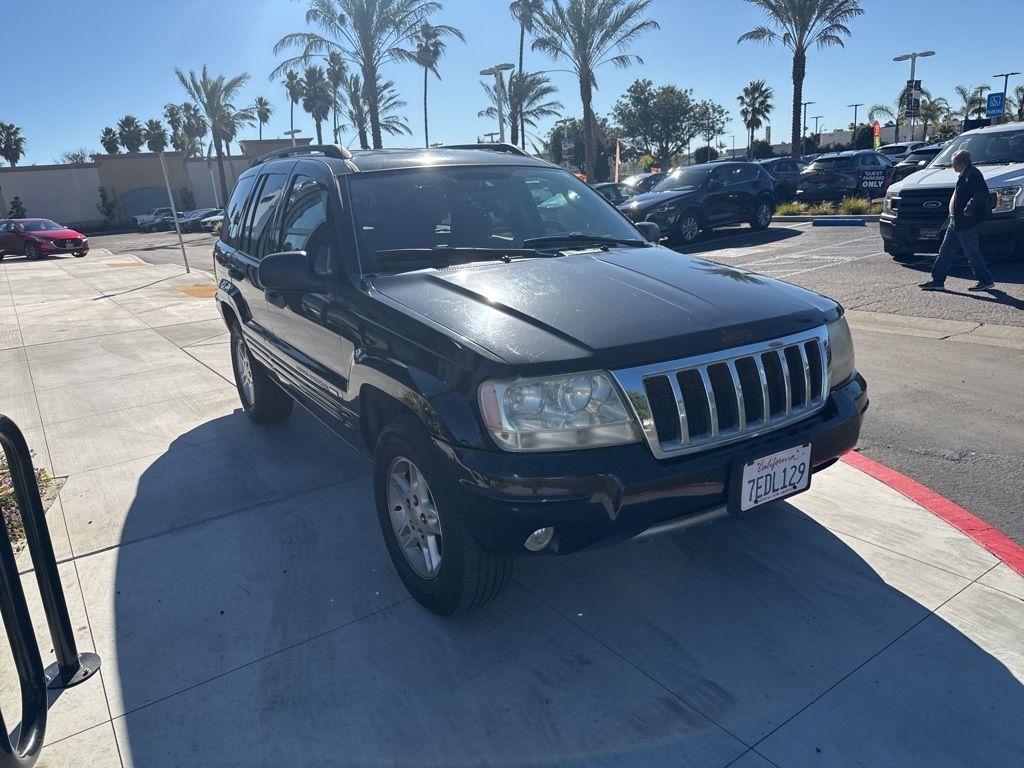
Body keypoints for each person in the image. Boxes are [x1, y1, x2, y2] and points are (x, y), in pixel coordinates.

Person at [919, 149, 995, 292]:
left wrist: (969, 209)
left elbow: (981, 193)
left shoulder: (972, 174)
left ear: (959, 163)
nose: (952, 165)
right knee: (945, 252)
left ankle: (986, 280)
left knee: (972, 253)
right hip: (955, 221)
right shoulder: (966, 173)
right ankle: (937, 281)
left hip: (965, 222)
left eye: (953, 162)